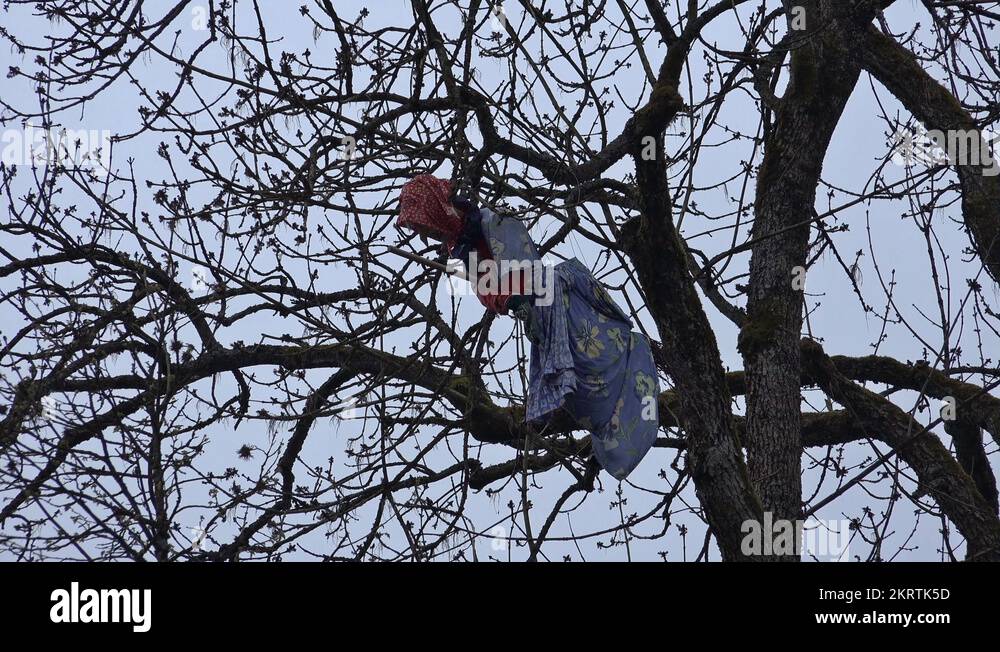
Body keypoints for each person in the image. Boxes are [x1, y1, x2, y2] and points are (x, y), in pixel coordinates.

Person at [397, 174, 659, 479]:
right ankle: (614, 429)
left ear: (435, 210)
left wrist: (513, 297)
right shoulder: (462, 247)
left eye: (421, 224)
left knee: (592, 364)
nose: (422, 234)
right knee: (576, 388)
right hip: (540, 312)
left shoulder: (493, 223)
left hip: (555, 302)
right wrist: (506, 301)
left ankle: (634, 394)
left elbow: (521, 267)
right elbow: (489, 287)